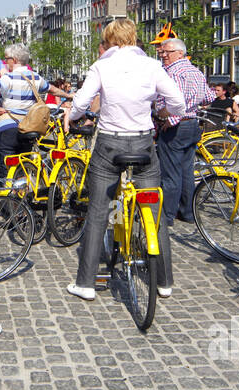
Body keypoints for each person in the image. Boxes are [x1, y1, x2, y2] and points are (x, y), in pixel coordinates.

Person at [63, 19, 191, 301]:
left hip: (110, 142)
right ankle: (164, 281)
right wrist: (162, 113)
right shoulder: (152, 66)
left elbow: (82, 103)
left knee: (98, 211)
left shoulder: (102, 66)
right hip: (144, 142)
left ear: (108, 40)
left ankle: (85, 283)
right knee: (154, 212)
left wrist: (70, 116)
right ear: (133, 38)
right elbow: (179, 103)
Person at [0, 44, 72, 174]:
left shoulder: (8, 78)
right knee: (24, 166)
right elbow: (53, 90)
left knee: (6, 169)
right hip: (28, 127)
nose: (5, 62)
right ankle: (24, 189)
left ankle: (8, 191)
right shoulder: (35, 77)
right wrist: (68, 95)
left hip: (8, 127)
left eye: (6, 59)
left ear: (14, 60)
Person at [154, 38, 213, 227]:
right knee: (187, 171)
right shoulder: (196, 71)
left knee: (170, 172)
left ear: (180, 53)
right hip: (192, 124)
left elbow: (176, 103)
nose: (163, 56)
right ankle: (187, 212)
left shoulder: (172, 72)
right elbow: (209, 97)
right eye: (162, 52)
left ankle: (167, 215)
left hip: (176, 126)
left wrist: (169, 120)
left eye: (167, 52)